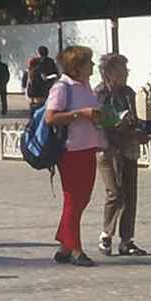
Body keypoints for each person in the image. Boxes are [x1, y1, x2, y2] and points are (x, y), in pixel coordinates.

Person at [45, 45, 103, 267]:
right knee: (73, 199)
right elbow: (50, 118)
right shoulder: (62, 87)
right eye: (89, 62)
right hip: (70, 150)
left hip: (88, 147)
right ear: (77, 67)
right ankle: (75, 249)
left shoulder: (86, 86)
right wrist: (80, 114)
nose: (93, 65)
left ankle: (65, 246)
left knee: (82, 198)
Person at [95, 52, 145, 257]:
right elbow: (99, 123)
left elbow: (136, 117)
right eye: (122, 70)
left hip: (128, 146)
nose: (126, 74)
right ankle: (106, 234)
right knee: (115, 192)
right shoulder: (99, 94)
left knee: (130, 193)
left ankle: (127, 240)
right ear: (109, 74)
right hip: (107, 149)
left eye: (126, 70)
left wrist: (136, 128)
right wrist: (117, 125)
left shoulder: (128, 93)